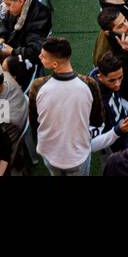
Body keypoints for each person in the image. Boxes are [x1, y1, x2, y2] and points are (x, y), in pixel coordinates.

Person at [27, 37, 104, 175]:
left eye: (43, 56)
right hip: (78, 155)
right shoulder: (89, 83)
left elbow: (34, 122)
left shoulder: (37, 86)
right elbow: (97, 120)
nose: (39, 57)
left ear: (55, 64)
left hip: (49, 153)